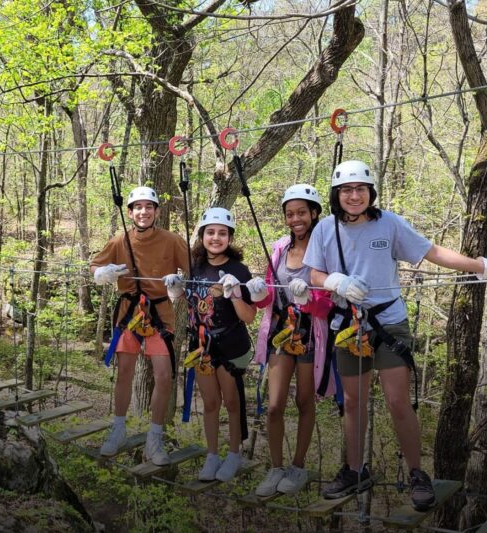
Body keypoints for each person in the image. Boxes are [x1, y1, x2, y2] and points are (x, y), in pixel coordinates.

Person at [304, 160, 487, 510]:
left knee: (397, 401)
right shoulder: (325, 229)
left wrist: (485, 267)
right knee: (353, 402)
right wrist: (334, 281)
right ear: (336, 195)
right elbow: (314, 272)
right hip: (348, 326)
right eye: (346, 190)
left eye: (361, 189)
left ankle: (417, 473)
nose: (354, 196)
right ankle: (356, 469)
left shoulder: (388, 224)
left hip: (387, 322)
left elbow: (432, 253)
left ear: (371, 192)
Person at [90, 186, 190, 466]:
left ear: (157, 211)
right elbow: (94, 265)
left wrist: (179, 286)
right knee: (124, 373)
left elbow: (193, 271)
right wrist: (102, 272)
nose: (143, 212)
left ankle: (154, 438)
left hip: (159, 311)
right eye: (138, 207)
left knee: (163, 375)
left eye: (149, 207)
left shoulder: (172, 240)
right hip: (129, 311)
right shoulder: (120, 240)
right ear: (130, 212)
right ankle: (119, 428)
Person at [252, 184, 335, 496]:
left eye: (302, 212)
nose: (295, 218)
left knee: (303, 401)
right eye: (290, 213)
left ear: (314, 213)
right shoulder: (279, 249)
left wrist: (309, 300)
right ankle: (275, 468)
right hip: (279, 336)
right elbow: (267, 300)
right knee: (274, 406)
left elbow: (329, 304)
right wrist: (257, 291)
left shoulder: (326, 250)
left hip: (311, 336)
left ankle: (297, 467)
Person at [179, 207, 268, 482]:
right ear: (202, 236)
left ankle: (233, 454)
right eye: (210, 233)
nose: (215, 238)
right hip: (201, 344)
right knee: (210, 403)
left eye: (222, 233)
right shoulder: (194, 266)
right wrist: (177, 288)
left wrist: (233, 295)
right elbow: (192, 304)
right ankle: (212, 455)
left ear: (229, 237)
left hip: (230, 343)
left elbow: (249, 317)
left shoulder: (238, 270)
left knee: (231, 401)